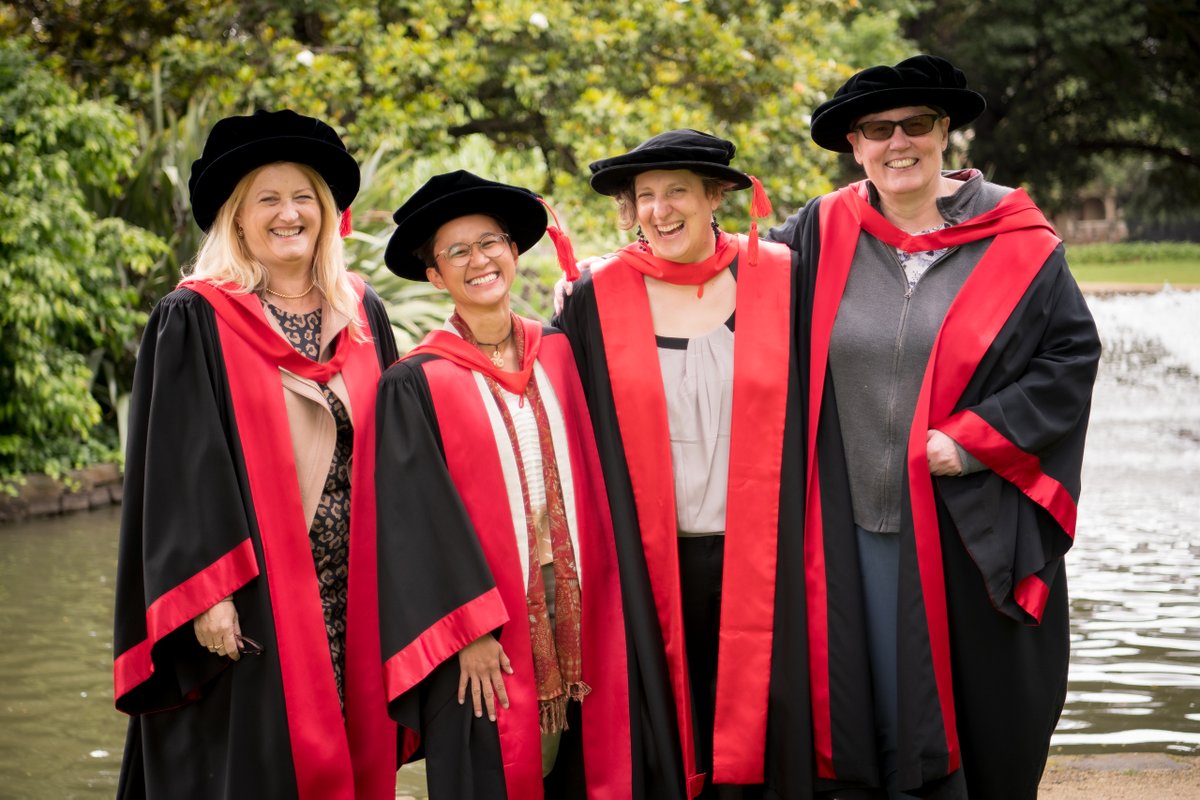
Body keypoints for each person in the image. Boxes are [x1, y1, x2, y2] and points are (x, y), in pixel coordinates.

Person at [767, 55, 1101, 799]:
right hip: (846, 531)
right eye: (877, 131)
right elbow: (726, 282)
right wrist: (602, 281)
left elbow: (1071, 356)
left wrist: (975, 440)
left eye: (916, 124)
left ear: (945, 131)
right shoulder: (820, 232)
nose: (898, 143)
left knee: (973, 718)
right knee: (863, 714)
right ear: (854, 146)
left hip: (961, 531)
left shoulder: (1018, 239)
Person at [112, 109, 402, 798]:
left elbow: (398, 454)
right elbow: (179, 469)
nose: (288, 213)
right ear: (236, 219)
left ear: (328, 213)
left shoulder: (362, 313)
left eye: (303, 196)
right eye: (266, 199)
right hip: (257, 599)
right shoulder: (196, 319)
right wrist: (207, 594)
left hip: (352, 591)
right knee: (259, 766)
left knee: (353, 750)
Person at [553, 130, 808, 799]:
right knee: (666, 735)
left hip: (766, 560)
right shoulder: (595, 298)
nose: (659, 210)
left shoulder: (779, 279)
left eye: (675, 193)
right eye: (645, 197)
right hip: (649, 563)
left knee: (764, 740)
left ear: (714, 194)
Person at [375, 170, 632, 799]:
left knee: (586, 764)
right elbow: (414, 521)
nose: (479, 260)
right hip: (483, 620)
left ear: (514, 253)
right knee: (490, 770)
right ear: (435, 276)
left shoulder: (563, 352)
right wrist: (470, 632)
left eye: (489, 243)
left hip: (578, 601)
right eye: (456, 252)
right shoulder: (414, 383)